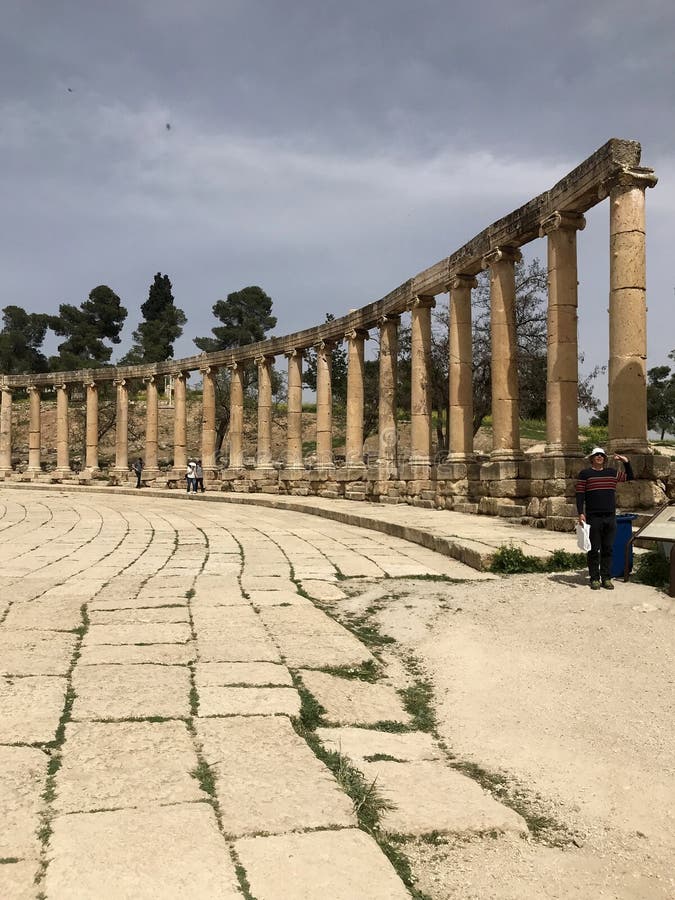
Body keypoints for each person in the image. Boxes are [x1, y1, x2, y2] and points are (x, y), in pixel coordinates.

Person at [576, 447, 634, 590]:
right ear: (592, 458)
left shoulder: (612, 473)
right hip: (593, 517)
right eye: (596, 455)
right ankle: (594, 578)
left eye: (602, 455)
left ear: (605, 459)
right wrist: (580, 513)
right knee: (594, 549)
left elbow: (630, 477)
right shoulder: (585, 474)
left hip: (610, 516)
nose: (599, 457)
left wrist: (626, 462)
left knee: (608, 549)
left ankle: (606, 578)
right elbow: (579, 494)